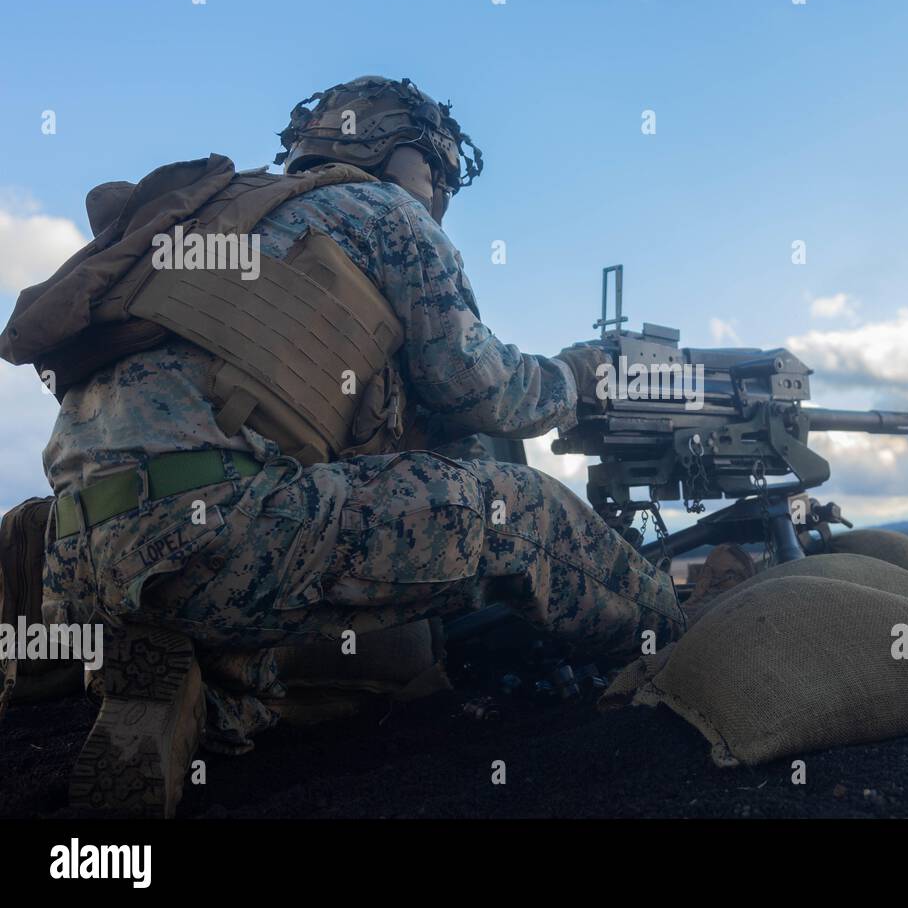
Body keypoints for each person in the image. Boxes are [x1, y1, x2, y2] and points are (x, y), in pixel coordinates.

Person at [0, 76, 685, 814]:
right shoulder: (383, 210)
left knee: (294, 603)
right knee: (516, 514)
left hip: (74, 556)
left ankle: (189, 691)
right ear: (395, 154)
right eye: (439, 169)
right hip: (213, 535)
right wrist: (578, 377)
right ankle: (676, 643)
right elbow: (482, 390)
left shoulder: (219, 219)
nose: (443, 191)